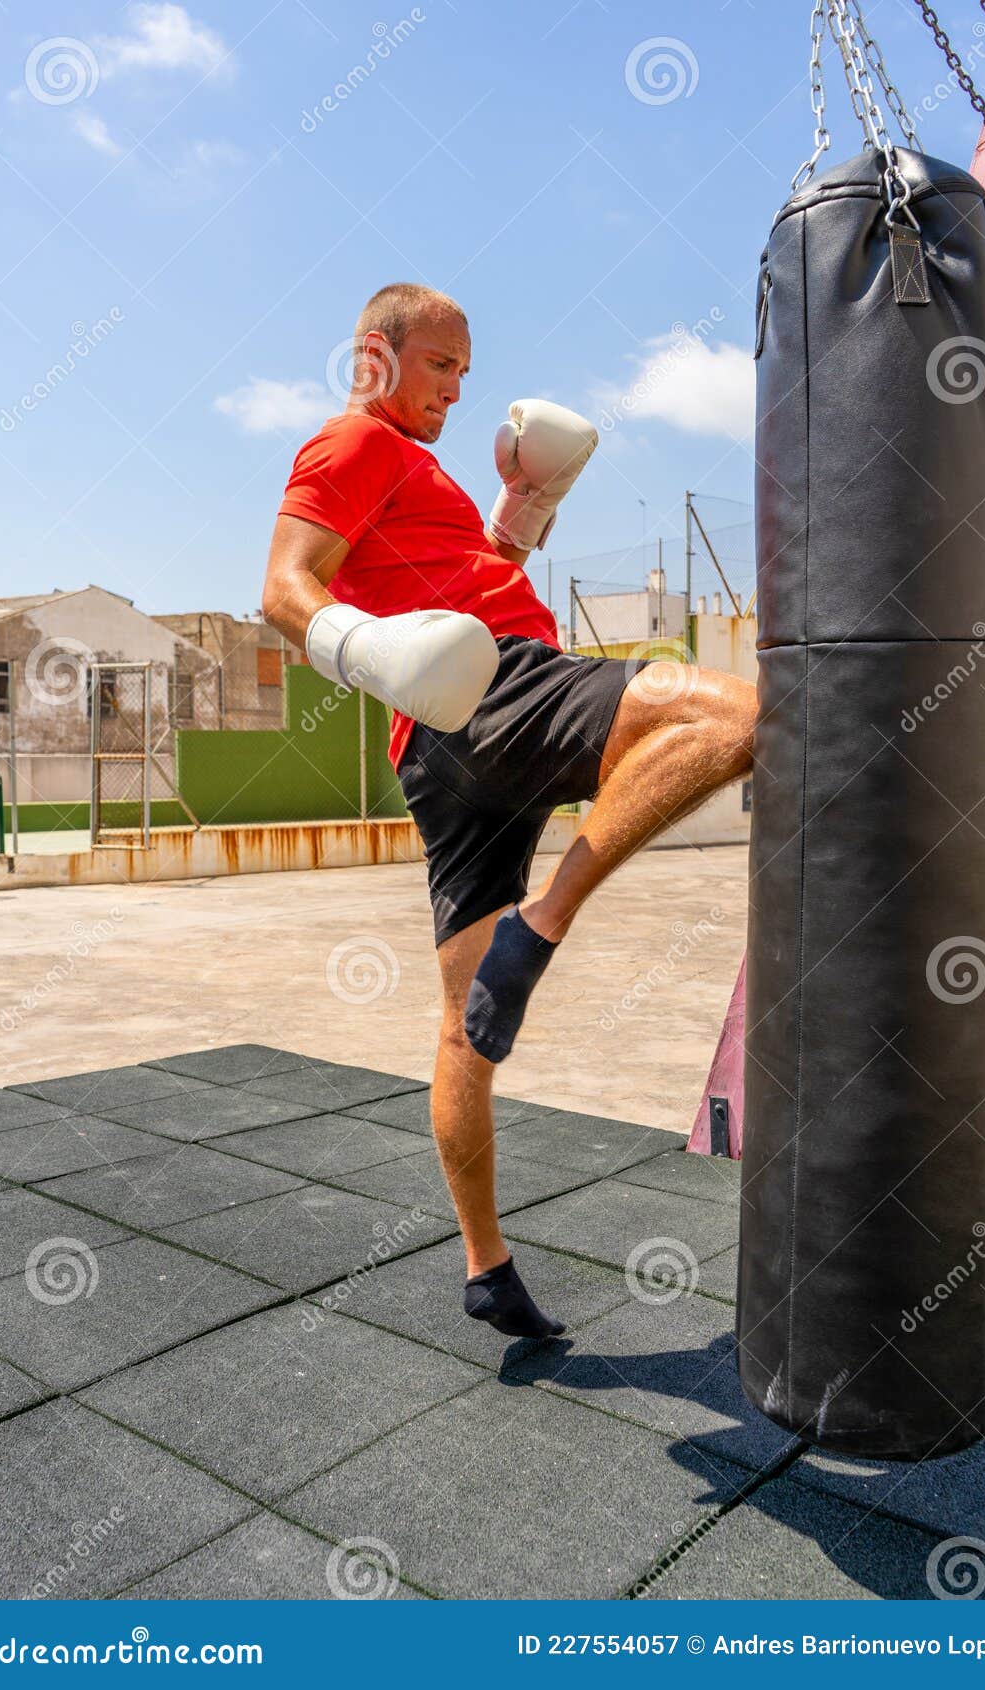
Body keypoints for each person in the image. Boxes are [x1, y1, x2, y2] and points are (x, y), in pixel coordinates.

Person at [261, 282, 756, 1340]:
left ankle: (485, 1265)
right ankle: (545, 921)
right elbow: (284, 588)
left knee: (460, 1032)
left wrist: (522, 510)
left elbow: (465, 580)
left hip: (447, 744)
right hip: (498, 689)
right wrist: (370, 651)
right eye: (439, 365)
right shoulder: (349, 440)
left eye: (462, 372)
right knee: (741, 717)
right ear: (376, 356)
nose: (453, 388)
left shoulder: (412, 469)